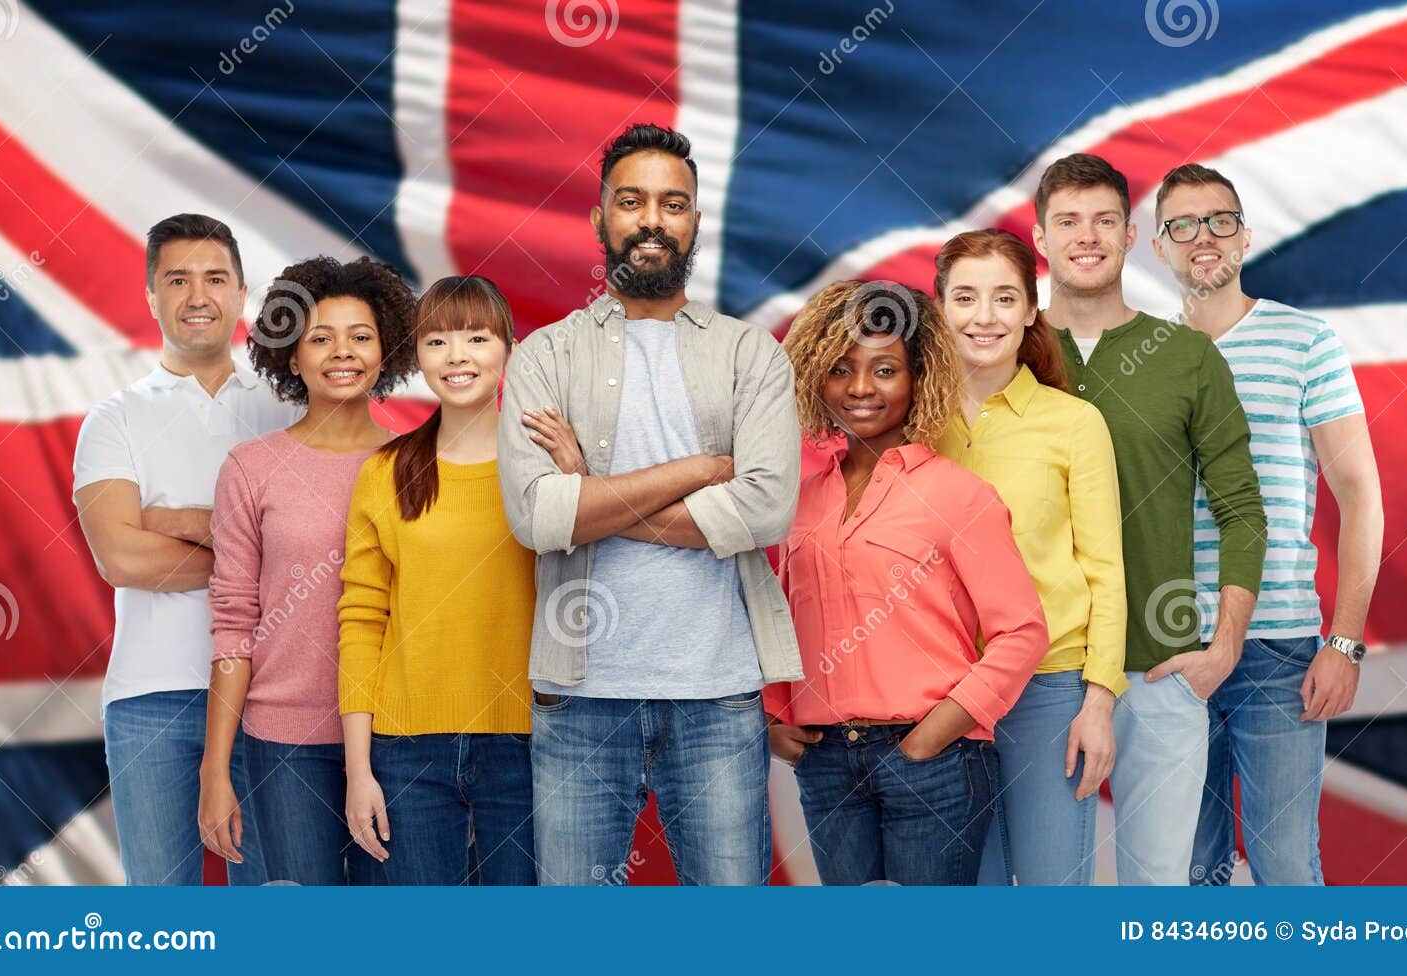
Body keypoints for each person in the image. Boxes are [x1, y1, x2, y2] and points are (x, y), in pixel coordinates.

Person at [497, 123, 802, 886]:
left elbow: (763, 512)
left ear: (695, 222)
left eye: (673, 203)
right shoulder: (544, 356)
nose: (652, 220)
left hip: (718, 696)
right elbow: (538, 518)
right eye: (631, 202)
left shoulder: (750, 353)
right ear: (601, 219)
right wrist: (700, 470)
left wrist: (592, 495)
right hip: (580, 698)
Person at [762, 280, 1050, 885]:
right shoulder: (795, 504)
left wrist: (934, 736)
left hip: (934, 760)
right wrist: (772, 718)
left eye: (885, 369)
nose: (861, 388)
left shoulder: (959, 495)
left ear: (919, 379)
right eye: (841, 368)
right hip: (825, 763)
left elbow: (1021, 631)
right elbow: (772, 621)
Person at [1031, 153, 1266, 885]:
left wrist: (1223, 648)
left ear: (1132, 236)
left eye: (1105, 220)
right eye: (1068, 221)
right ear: (1040, 237)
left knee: (1160, 896)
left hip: (1161, 664)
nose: (1087, 236)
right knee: (1042, 898)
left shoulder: (1187, 356)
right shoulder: (1005, 348)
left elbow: (1242, 511)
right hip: (1039, 669)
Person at [1151, 164, 1384, 886]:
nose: (1203, 237)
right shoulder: (1142, 355)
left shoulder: (1305, 342)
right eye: (1182, 225)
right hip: (1167, 647)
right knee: (1191, 868)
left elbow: (1361, 496)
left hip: (1279, 648)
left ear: (1245, 236)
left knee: (1284, 868)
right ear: (1158, 247)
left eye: (1220, 220)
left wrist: (1344, 643)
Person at [73, 214, 298, 885]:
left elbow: (316, 551)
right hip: (151, 695)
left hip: (274, 691)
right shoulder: (113, 420)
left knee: (274, 907)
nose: (197, 294)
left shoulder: (286, 408)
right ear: (150, 295)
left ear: (240, 293)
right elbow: (121, 558)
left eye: (214, 278)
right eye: (178, 279)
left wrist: (169, 518)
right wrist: (253, 557)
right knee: (162, 918)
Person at [198, 256, 413, 885]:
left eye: (361, 336)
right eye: (320, 338)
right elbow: (234, 621)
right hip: (284, 740)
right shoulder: (251, 468)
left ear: (385, 352)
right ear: (292, 358)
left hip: (399, 736)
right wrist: (217, 769)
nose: (341, 352)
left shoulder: (415, 463)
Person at [933, 230, 1127, 885]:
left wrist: (1097, 704)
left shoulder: (1074, 424)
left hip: (1051, 692)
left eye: (1003, 297)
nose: (984, 316)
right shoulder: (911, 427)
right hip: (946, 697)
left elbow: (1106, 571)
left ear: (1029, 311)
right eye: (965, 297)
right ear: (939, 310)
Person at [338, 276, 539, 885]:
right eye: (438, 340)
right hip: (406, 748)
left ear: (508, 347)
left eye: (477, 337)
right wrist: (357, 769)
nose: (458, 356)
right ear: (417, 355)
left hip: (531, 741)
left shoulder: (547, 464)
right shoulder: (384, 473)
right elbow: (361, 618)